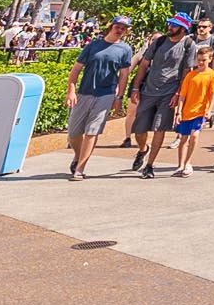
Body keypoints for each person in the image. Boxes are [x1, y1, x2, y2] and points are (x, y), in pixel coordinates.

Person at [64, 16, 134, 181]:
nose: (120, 30)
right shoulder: (94, 45)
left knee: (92, 132)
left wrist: (119, 97)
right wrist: (71, 91)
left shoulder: (125, 49)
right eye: (117, 26)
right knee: (73, 132)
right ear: (111, 26)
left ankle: (80, 167)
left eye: (123, 28)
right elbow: (76, 70)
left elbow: (124, 75)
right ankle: (78, 155)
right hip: (84, 92)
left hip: (105, 94)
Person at [124, 15, 196, 176]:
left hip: (169, 92)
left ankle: (150, 165)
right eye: (170, 24)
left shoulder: (189, 45)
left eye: (174, 25)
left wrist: (179, 93)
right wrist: (135, 88)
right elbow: (144, 64)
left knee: (159, 128)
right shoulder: (160, 41)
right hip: (149, 90)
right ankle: (143, 150)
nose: (170, 27)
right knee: (139, 130)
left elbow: (187, 72)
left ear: (183, 28)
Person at [166, 46, 214, 177]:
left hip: (200, 111)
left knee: (194, 136)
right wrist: (179, 112)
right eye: (199, 59)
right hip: (187, 111)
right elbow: (182, 95)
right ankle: (180, 165)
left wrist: (209, 110)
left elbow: (212, 94)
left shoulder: (212, 75)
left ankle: (188, 162)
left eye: (204, 60)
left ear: (210, 59)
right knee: (184, 138)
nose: (200, 62)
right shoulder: (191, 75)